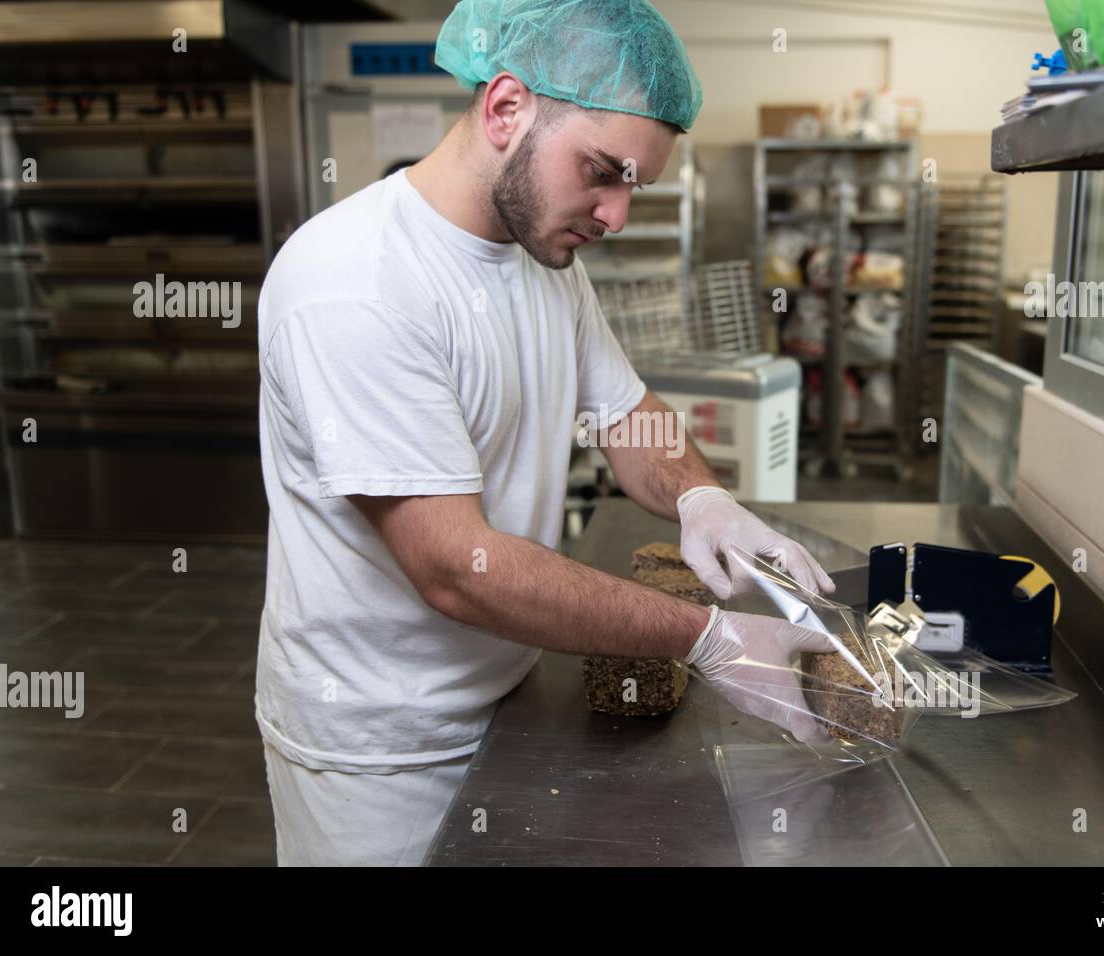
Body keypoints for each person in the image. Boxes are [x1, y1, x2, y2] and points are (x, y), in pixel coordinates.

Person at [255, 0, 837, 866]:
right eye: (601, 172)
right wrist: (710, 640)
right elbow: (455, 570)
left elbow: (625, 412)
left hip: (507, 694)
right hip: (383, 747)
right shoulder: (355, 282)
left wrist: (705, 497)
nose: (614, 216)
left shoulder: (540, 258)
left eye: (631, 185)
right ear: (504, 108)